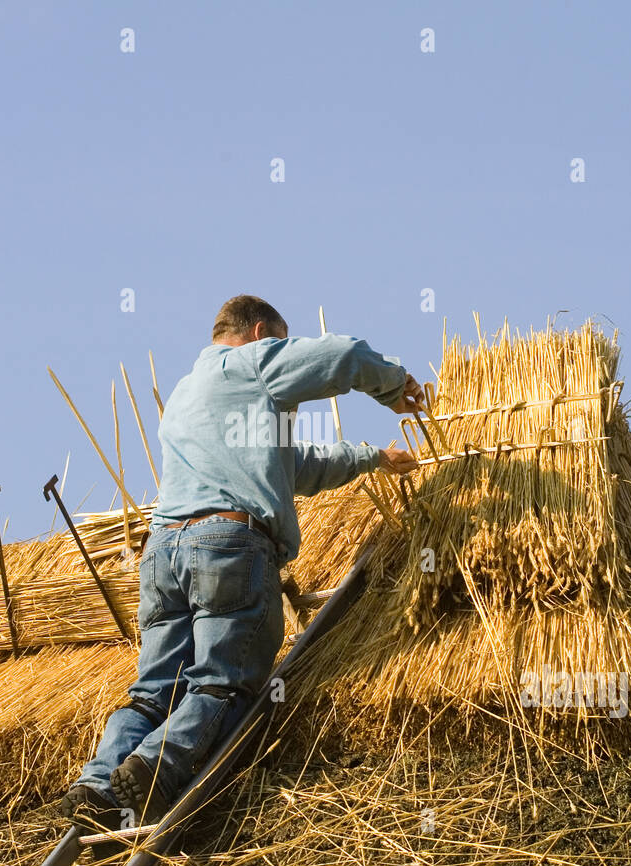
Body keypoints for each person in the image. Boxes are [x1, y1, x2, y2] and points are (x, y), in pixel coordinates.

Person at [58, 294, 422, 834]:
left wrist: (371, 457)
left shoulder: (187, 392)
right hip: (227, 545)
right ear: (259, 333)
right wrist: (397, 387)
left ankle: (95, 783)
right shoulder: (253, 363)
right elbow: (343, 356)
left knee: (153, 690)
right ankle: (157, 765)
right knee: (223, 680)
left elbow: (288, 465)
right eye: (276, 341)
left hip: (162, 554)